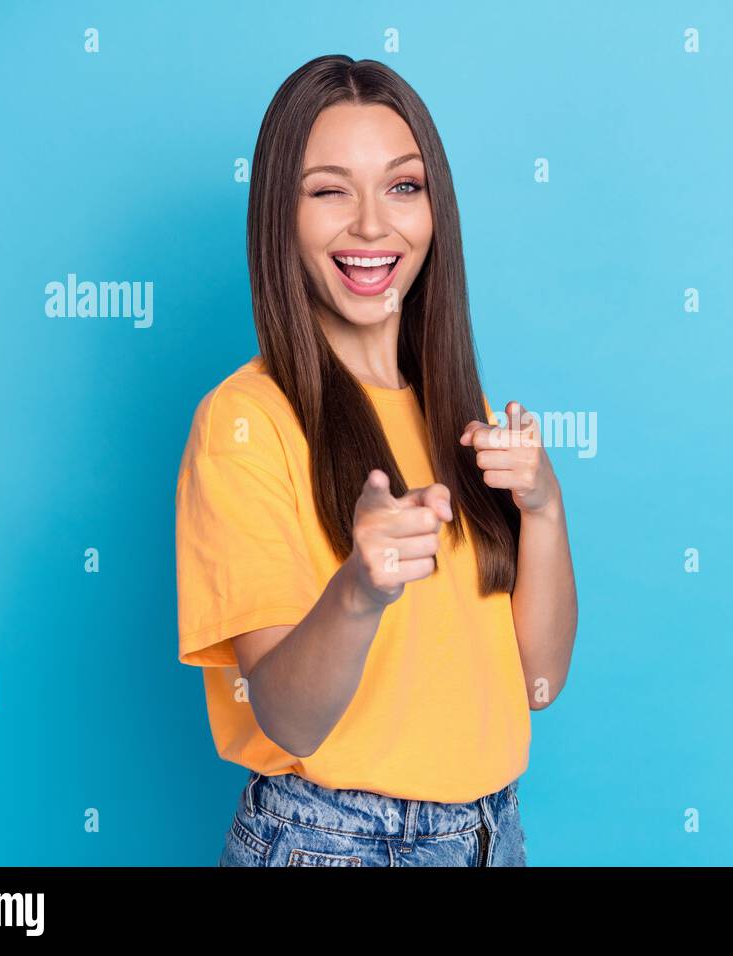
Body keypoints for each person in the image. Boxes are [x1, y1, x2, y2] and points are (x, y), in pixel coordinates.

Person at [174, 54, 578, 866]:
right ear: (279, 216)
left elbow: (540, 678)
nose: (370, 225)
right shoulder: (244, 423)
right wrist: (359, 591)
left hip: (491, 833)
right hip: (333, 841)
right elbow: (288, 717)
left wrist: (544, 509)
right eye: (329, 191)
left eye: (402, 186)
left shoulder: (461, 411)